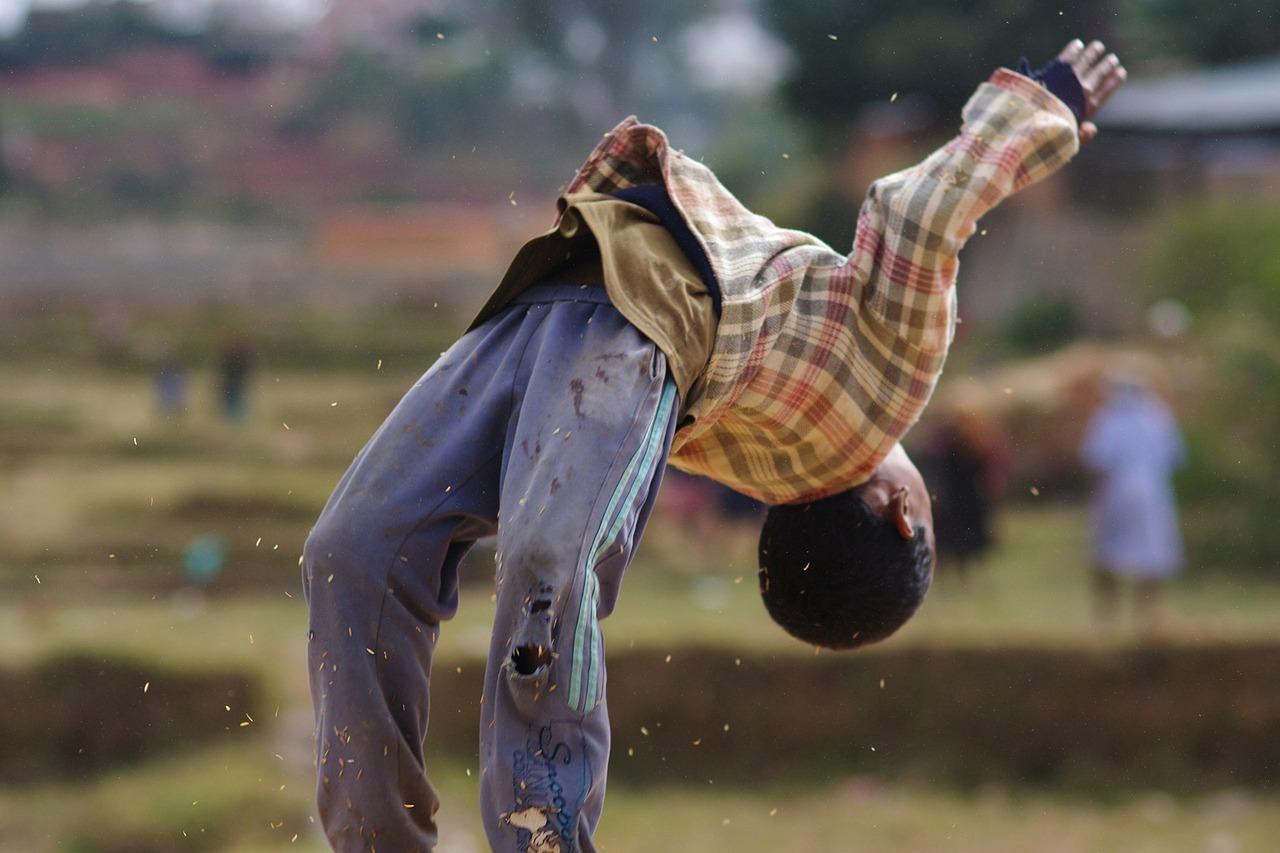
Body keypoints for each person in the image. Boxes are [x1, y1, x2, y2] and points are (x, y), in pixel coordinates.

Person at [302, 39, 1126, 852]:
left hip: (600, 310)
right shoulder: (753, 452)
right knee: (479, 560)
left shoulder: (891, 388)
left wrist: (1039, 115)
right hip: (592, 292)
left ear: (903, 513)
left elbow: (915, 209)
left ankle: (472, 838)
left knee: (369, 553)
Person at [1081, 374, 1186, 628]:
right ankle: (1147, 615)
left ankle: (1108, 616)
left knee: (1107, 553)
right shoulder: (1159, 417)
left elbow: (1097, 460)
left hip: (1116, 492)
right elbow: (1176, 458)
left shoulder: (1108, 418)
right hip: (1153, 494)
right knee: (1150, 554)